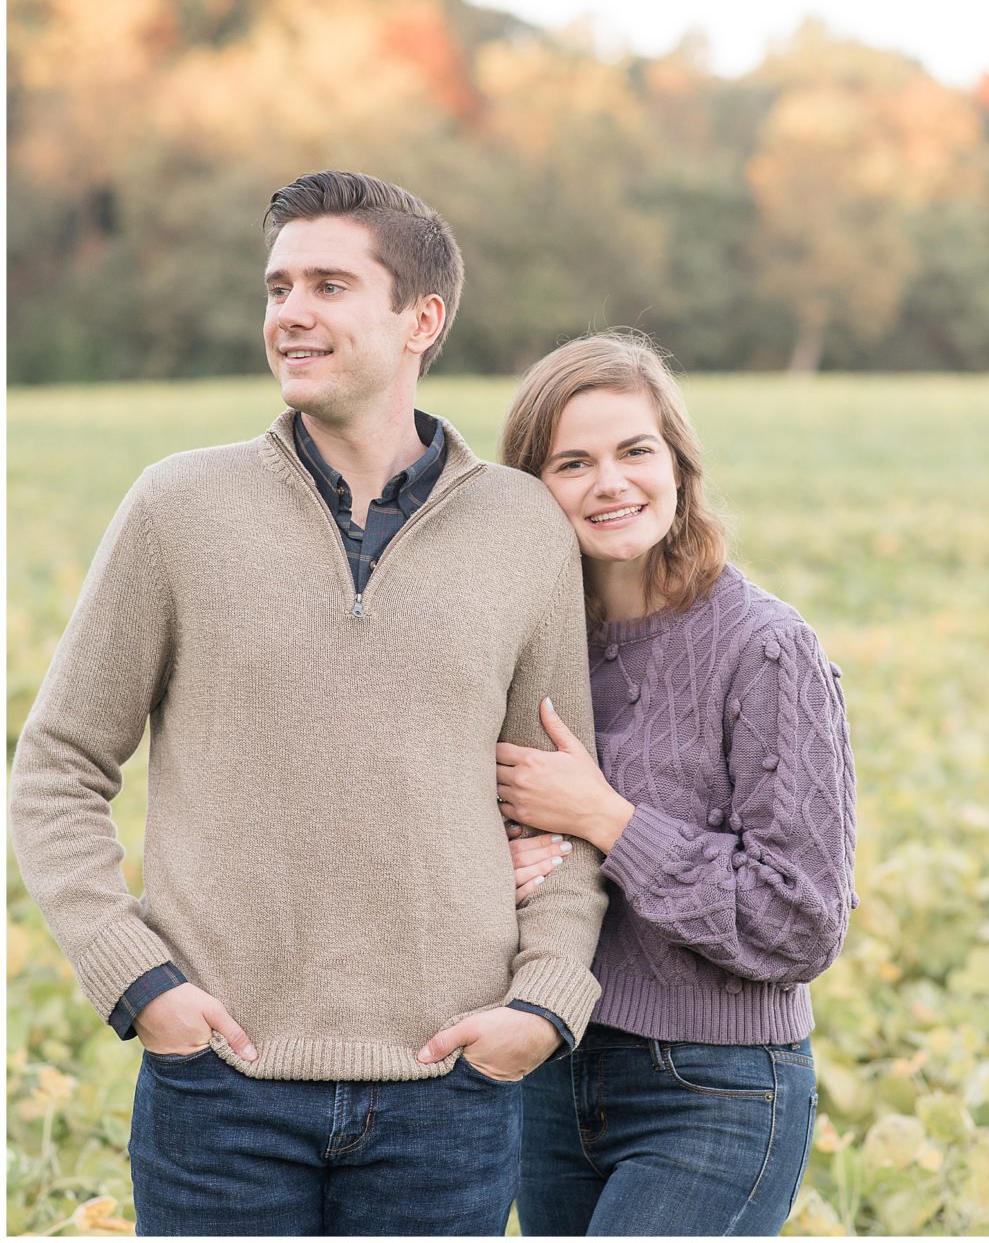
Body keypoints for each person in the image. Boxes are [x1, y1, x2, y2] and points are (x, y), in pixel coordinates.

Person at [9, 171, 608, 1238]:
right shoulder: (177, 508)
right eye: (279, 286)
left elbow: (562, 803)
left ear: (421, 317)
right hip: (218, 1085)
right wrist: (138, 980)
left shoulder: (524, 529)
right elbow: (56, 765)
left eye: (329, 284)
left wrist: (542, 1001)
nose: (290, 311)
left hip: (451, 1096)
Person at [496, 332, 857, 1237]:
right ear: (531, 491)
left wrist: (609, 821)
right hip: (550, 1068)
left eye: (634, 451)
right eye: (572, 462)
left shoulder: (766, 649)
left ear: (679, 465)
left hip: (716, 1089)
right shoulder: (527, 652)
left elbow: (801, 918)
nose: (610, 482)